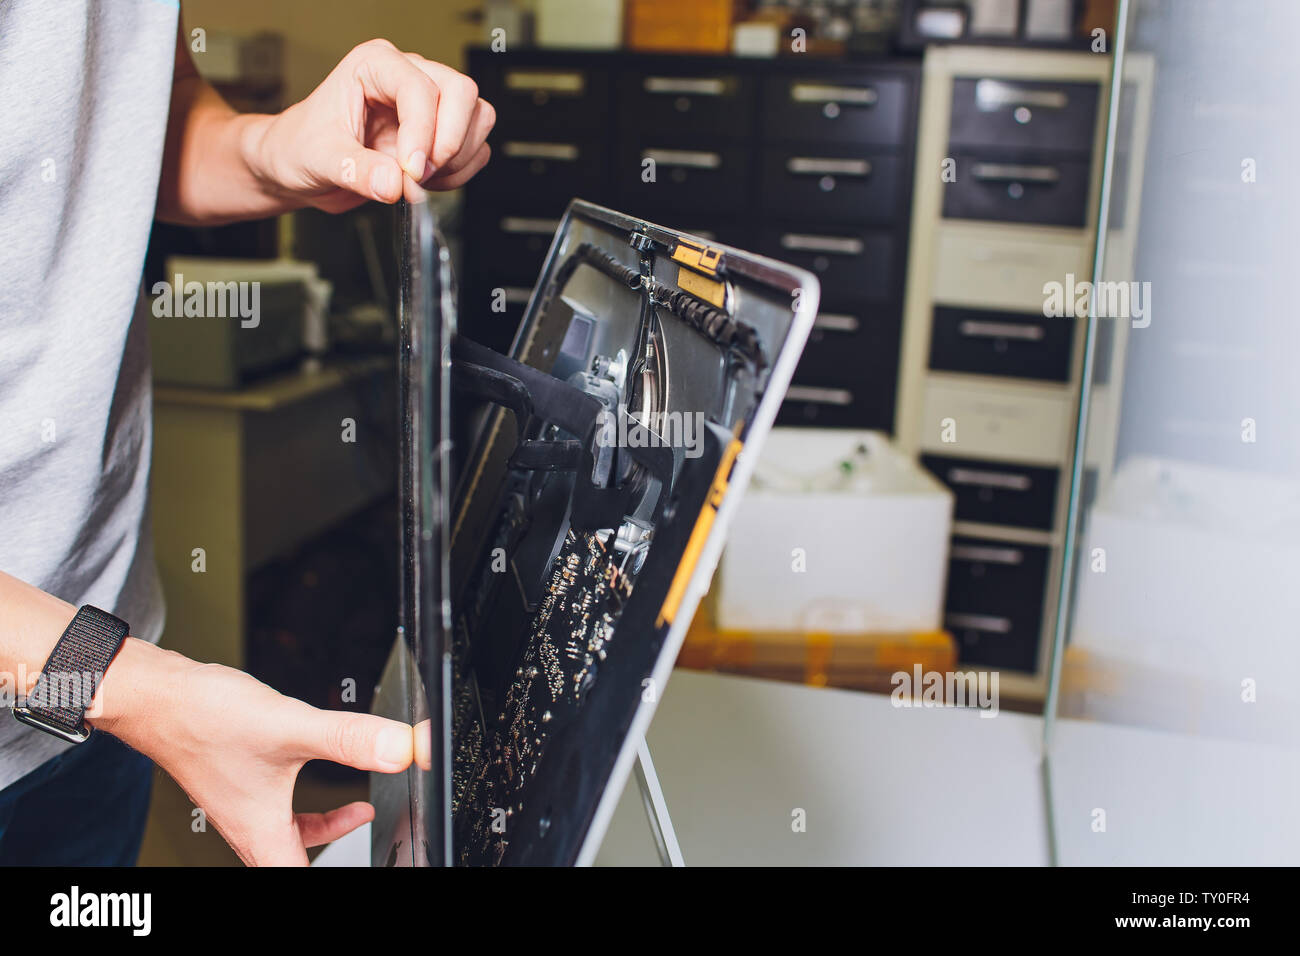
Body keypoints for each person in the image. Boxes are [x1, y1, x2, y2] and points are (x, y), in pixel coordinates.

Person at [0, 1, 495, 866]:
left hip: (90, 671)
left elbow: (120, 118)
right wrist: (143, 694)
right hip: (109, 677)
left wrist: (272, 150)